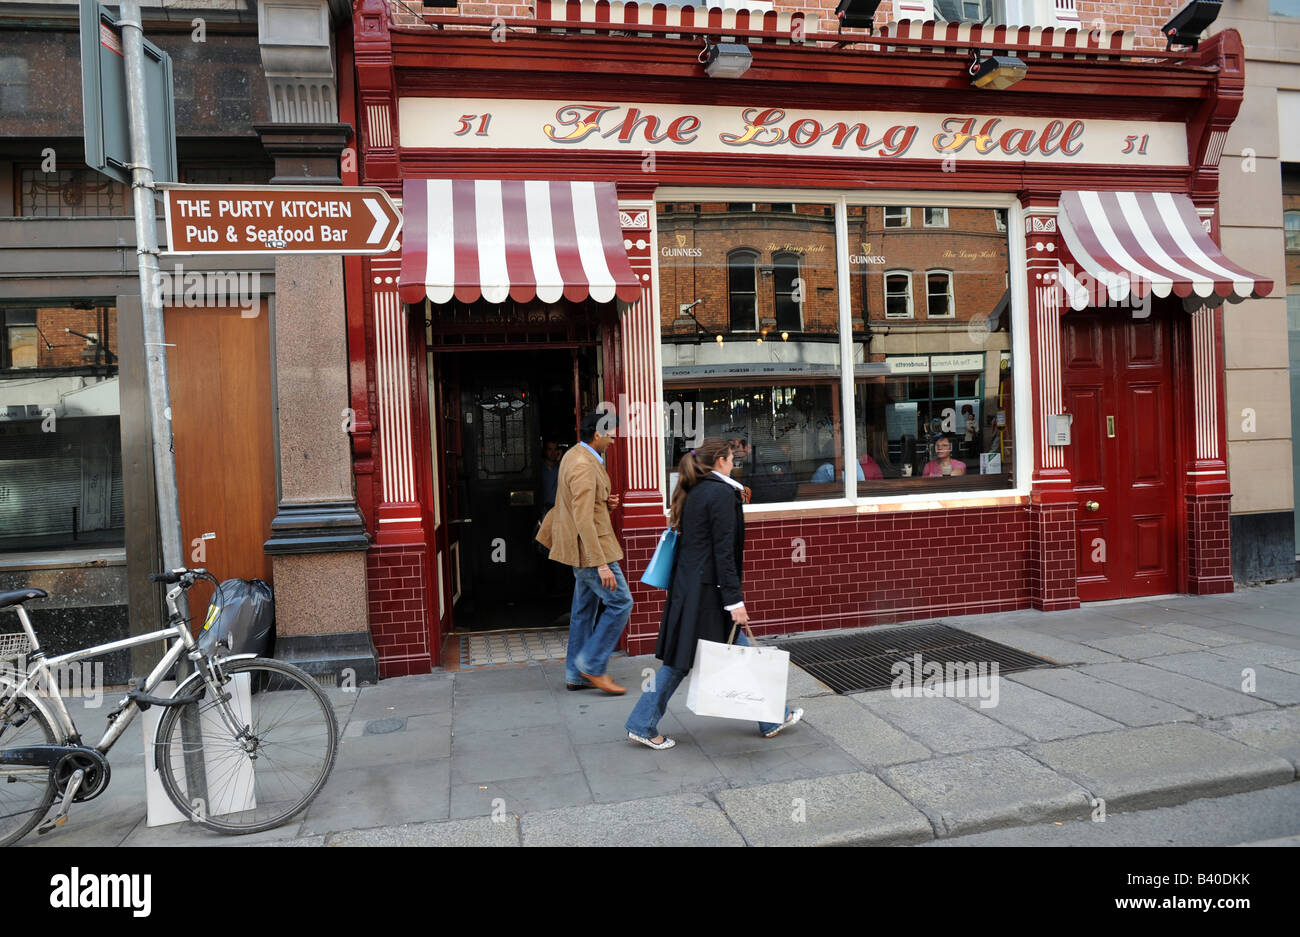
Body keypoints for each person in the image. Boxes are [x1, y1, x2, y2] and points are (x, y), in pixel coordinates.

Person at [625, 437, 802, 750]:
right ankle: (642, 723)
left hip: (694, 590)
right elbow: (723, 552)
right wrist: (735, 601)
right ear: (720, 459)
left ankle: (773, 716)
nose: (735, 461)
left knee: (706, 656)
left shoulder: (699, 489)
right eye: (732, 456)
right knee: (687, 661)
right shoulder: (720, 493)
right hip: (708, 594)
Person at [536, 411, 629, 694]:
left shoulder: (576, 455)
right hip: (591, 550)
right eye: (611, 434)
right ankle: (592, 663)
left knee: (584, 611)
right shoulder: (583, 465)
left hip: (585, 547)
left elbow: (582, 504)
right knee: (621, 603)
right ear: (598, 434)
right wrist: (600, 564)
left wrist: (606, 503)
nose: (613, 440)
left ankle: (576, 674)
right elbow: (583, 518)